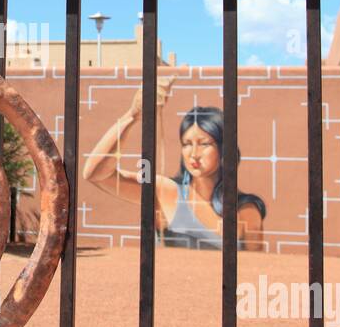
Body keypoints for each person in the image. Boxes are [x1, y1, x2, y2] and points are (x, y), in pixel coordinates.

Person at [82, 77, 266, 250]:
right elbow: (96, 174)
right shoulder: (165, 191)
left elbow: (253, 267)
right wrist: (132, 116)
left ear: (224, 149)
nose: (194, 154)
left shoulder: (246, 209)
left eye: (204, 144)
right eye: (187, 144)